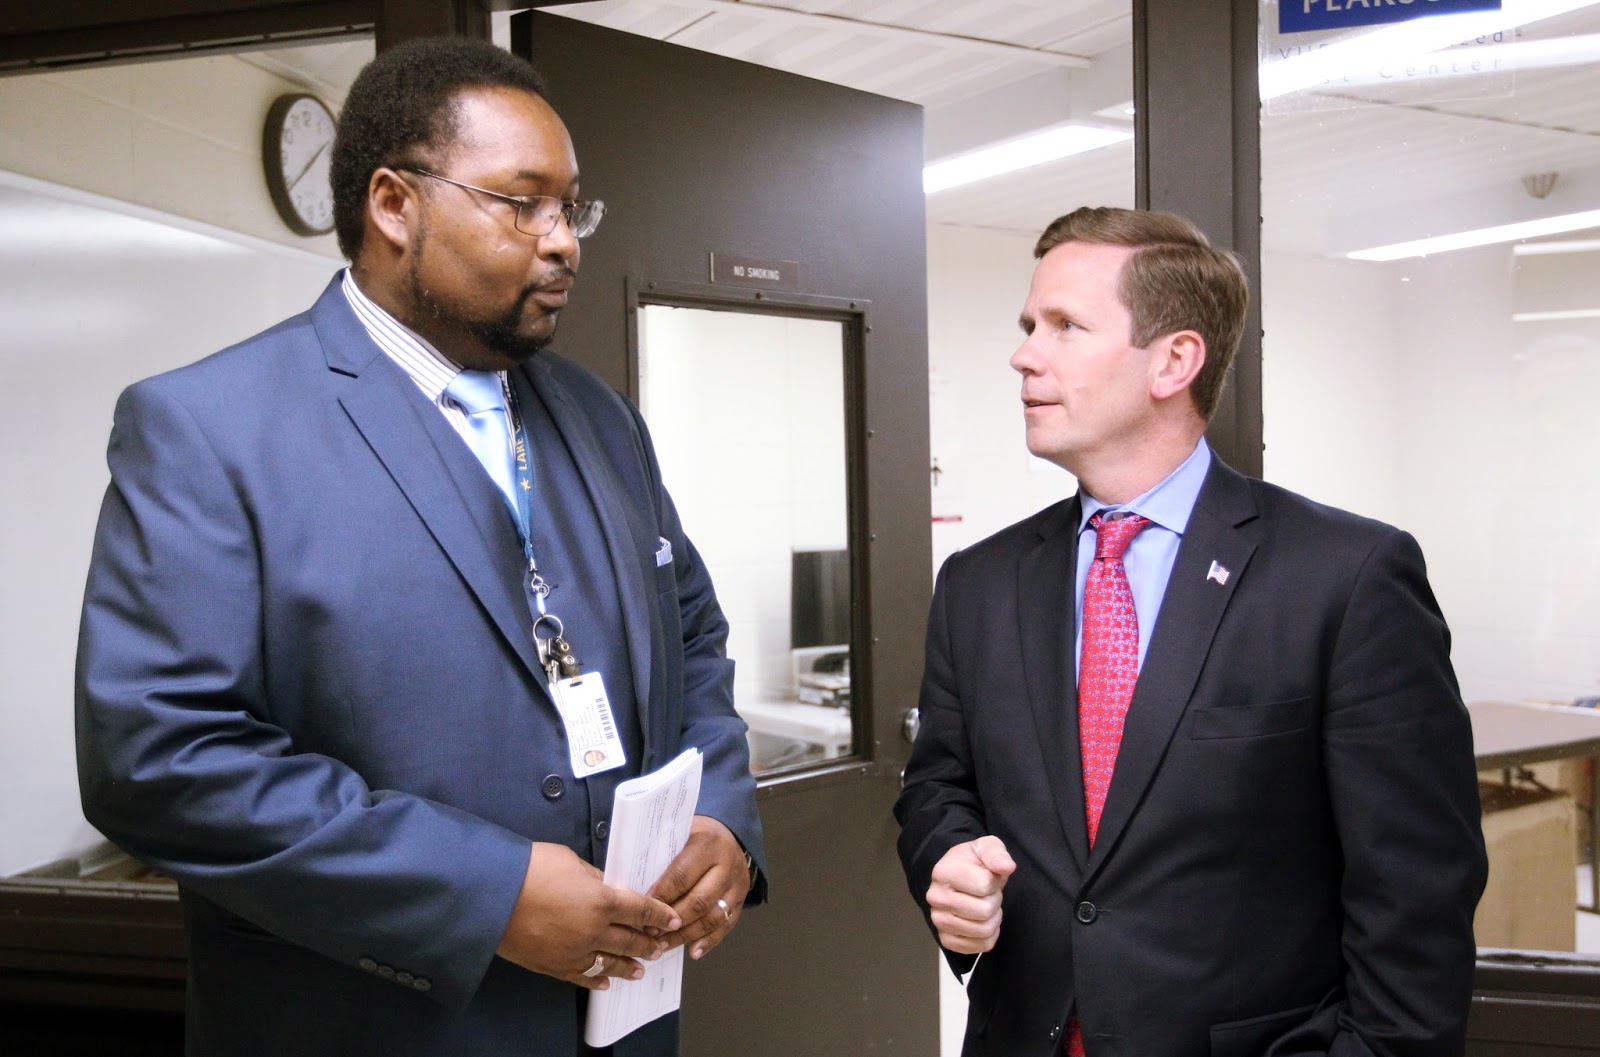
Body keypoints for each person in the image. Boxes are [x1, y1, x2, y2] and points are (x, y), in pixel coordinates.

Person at [75, 36, 764, 1057]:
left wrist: (721, 811)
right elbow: (160, 757)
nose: (563, 242)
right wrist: (487, 893)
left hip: (623, 1024)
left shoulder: (599, 417)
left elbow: (691, 633)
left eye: (571, 208)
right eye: (521, 203)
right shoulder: (212, 429)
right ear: (394, 206)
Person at [895, 206, 1486, 1057]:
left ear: (1174, 360)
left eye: (1064, 326)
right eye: (1028, 327)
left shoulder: (1346, 579)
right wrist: (948, 858)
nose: (1024, 355)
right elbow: (936, 786)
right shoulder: (979, 584)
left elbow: (1416, 898)